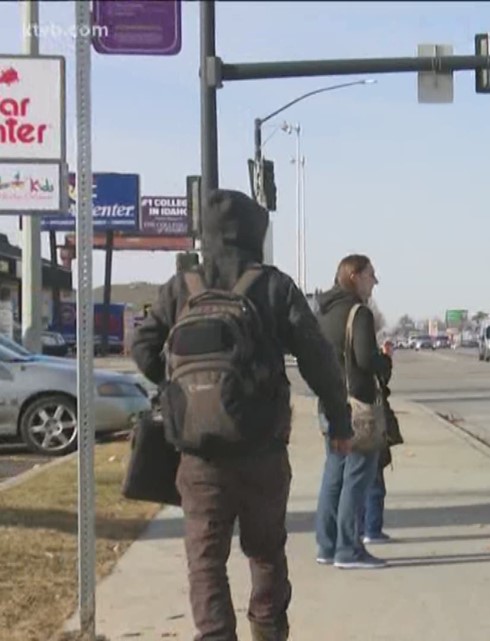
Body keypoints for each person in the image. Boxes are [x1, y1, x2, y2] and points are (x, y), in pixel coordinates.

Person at [131, 188, 355, 641]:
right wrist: (339, 419)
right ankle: (268, 631)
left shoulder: (180, 287)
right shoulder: (273, 286)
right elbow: (319, 359)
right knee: (266, 551)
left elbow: (142, 348)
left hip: (198, 455)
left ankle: (214, 634)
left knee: (205, 558)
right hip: (262, 450)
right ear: (256, 233)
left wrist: (183, 393)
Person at [313, 254, 392, 569]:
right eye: (371, 275)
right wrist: (384, 362)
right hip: (357, 408)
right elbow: (364, 358)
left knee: (334, 476)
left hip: (329, 404)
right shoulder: (359, 313)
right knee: (357, 478)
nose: (375, 281)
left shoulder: (323, 313)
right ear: (355, 276)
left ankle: (326, 545)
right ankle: (348, 550)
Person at [359, 337, 395, 544]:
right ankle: (371, 529)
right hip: (366, 415)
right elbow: (376, 375)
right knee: (372, 478)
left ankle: (360, 529)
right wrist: (385, 359)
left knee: (353, 476)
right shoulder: (359, 323)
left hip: (344, 412)